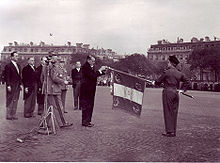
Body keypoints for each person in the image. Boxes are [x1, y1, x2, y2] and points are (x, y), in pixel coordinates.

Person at [154, 55, 190, 137]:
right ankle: (173, 131)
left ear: (171, 63)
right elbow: (188, 82)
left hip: (168, 93)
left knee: (168, 112)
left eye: (168, 62)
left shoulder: (167, 72)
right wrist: (182, 90)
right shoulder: (179, 73)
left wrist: (155, 83)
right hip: (176, 93)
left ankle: (169, 131)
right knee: (174, 112)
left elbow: (158, 81)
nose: (167, 64)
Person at [41, 54, 72, 128]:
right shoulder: (51, 67)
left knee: (50, 107)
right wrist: (63, 81)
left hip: (51, 89)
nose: (57, 61)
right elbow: (54, 78)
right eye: (56, 59)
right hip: (52, 89)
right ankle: (62, 123)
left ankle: (45, 123)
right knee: (57, 107)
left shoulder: (49, 66)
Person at [80, 55, 107, 127]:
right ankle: (85, 121)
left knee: (90, 105)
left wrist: (103, 72)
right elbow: (92, 76)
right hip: (86, 90)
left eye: (94, 61)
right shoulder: (85, 67)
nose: (94, 62)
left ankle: (87, 121)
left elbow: (95, 75)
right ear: (88, 60)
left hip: (91, 89)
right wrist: (100, 70)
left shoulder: (91, 67)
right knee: (87, 105)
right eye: (92, 61)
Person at [4, 51, 22, 120]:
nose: (17, 57)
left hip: (17, 85)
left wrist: (20, 84)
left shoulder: (18, 65)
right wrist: (8, 85)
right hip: (11, 85)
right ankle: (8, 115)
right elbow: (7, 76)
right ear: (12, 57)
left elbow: (19, 76)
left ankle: (13, 114)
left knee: (15, 100)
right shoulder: (8, 66)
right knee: (10, 99)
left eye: (17, 56)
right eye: (16, 56)